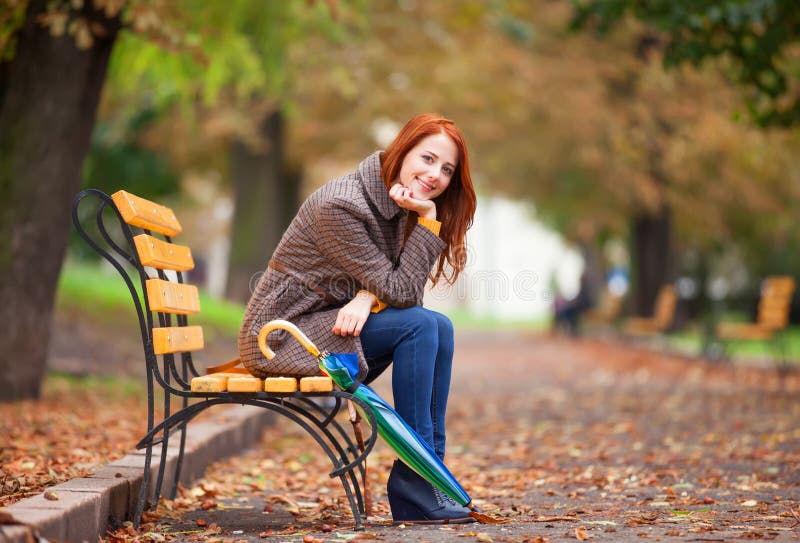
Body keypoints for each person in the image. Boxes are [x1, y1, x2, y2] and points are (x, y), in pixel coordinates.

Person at [238, 113, 477, 524]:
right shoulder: (341, 205)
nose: (435, 174)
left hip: (323, 323)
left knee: (439, 325)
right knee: (420, 326)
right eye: (428, 158)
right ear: (402, 150)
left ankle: (431, 476)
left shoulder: (395, 200)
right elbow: (402, 294)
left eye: (446, 169)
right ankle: (415, 487)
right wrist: (428, 219)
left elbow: (401, 291)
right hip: (280, 336)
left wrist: (367, 297)